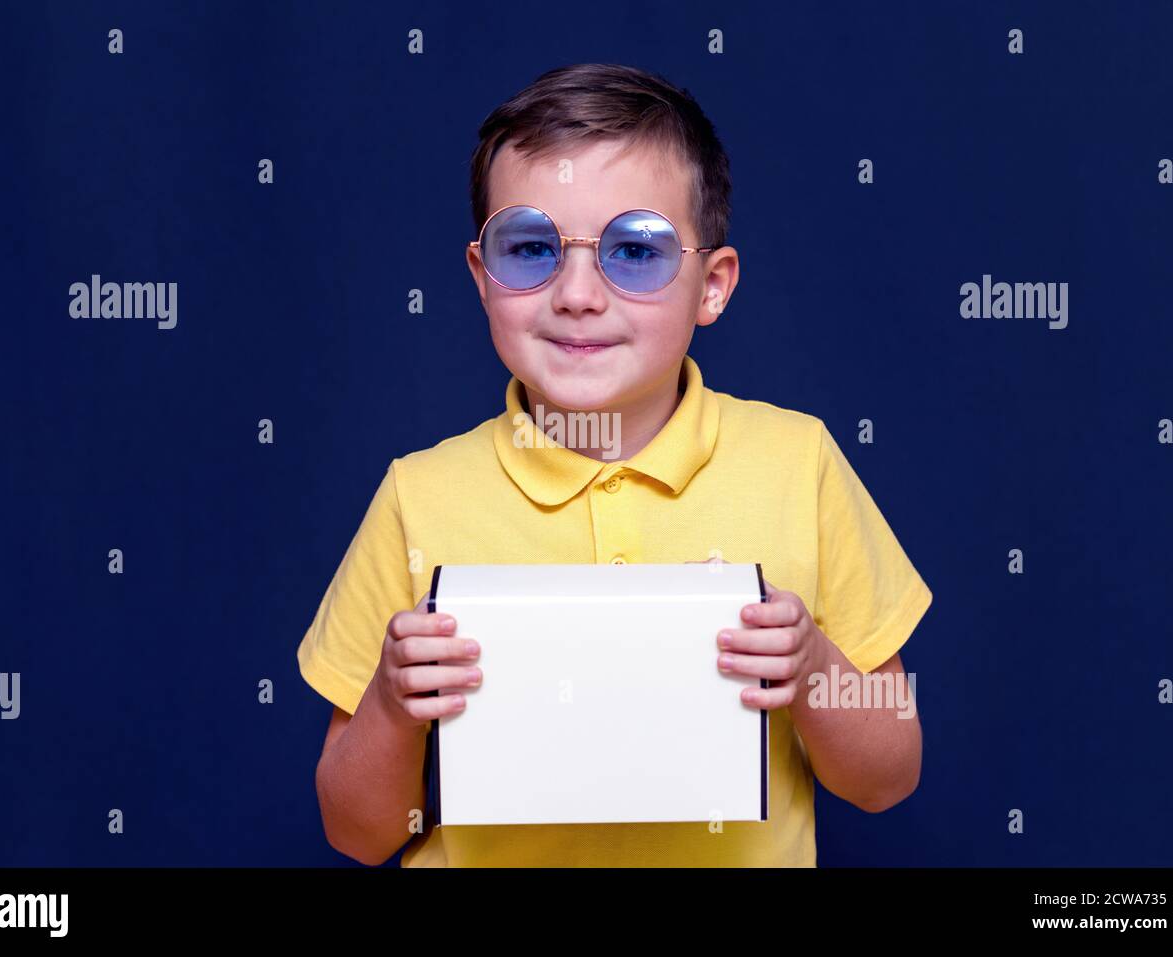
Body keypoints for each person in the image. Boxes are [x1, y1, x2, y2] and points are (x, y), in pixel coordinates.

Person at [297, 63, 932, 867]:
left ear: (713, 285)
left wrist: (812, 669)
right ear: (479, 277)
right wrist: (392, 704)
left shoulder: (796, 462)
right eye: (530, 247)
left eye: (634, 251)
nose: (576, 293)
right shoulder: (417, 496)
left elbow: (889, 776)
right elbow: (357, 833)